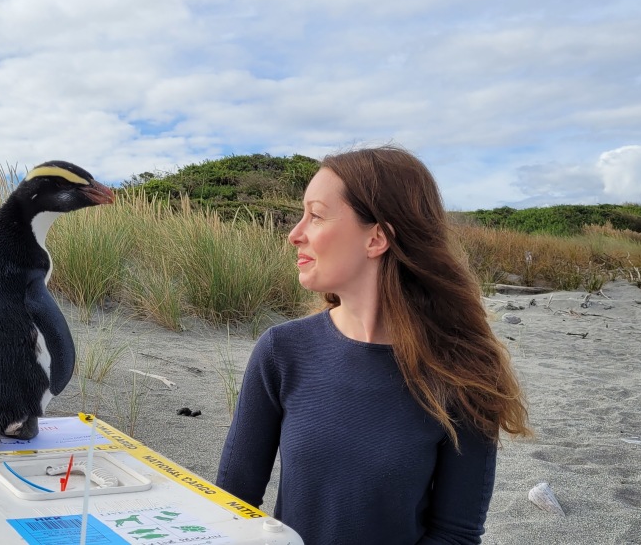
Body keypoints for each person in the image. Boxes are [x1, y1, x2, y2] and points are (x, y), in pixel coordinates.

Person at [215, 145, 532, 545]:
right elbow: (231, 502)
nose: (295, 233)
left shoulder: (464, 373)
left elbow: (455, 535)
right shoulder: (282, 351)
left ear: (376, 237)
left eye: (315, 215)